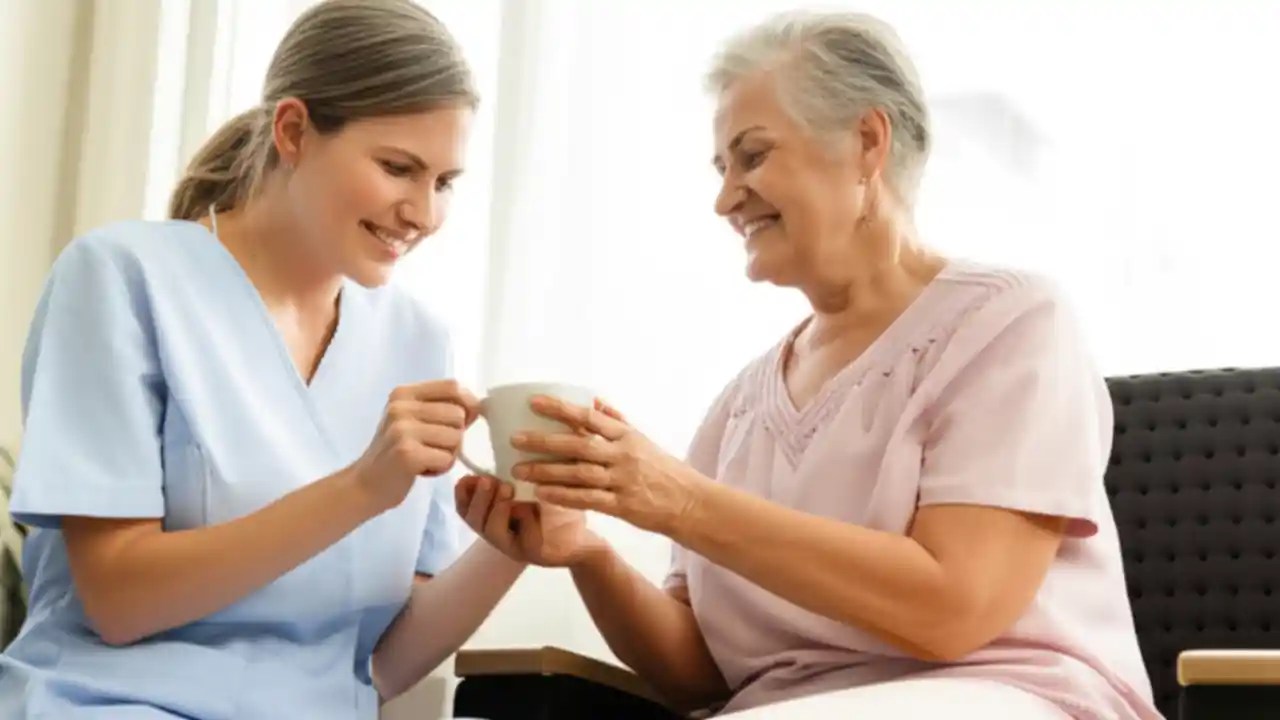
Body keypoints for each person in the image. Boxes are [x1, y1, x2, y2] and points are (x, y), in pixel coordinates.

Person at [463, 11, 1164, 720]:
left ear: (866, 141)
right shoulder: (739, 408)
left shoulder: (1010, 324)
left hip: (1012, 697)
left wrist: (678, 499)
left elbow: (955, 609)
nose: (725, 197)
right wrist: (588, 552)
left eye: (753, 155)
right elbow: (700, 678)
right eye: (721, 167)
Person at [0, 1, 542, 717]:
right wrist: (358, 490)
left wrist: (511, 549)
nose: (423, 213)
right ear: (293, 131)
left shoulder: (416, 339)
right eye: (397, 168)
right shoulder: (120, 278)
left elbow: (378, 663)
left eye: (443, 182)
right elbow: (119, 602)